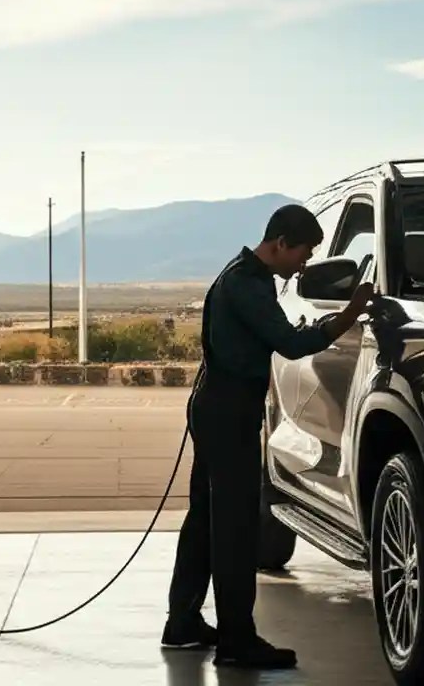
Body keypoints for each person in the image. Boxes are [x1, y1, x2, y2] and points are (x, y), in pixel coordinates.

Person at [162, 203, 374, 669]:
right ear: (280, 244)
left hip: (215, 408)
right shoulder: (247, 284)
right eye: (303, 253)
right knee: (235, 528)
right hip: (228, 414)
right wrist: (350, 314)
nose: (304, 263)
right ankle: (237, 642)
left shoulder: (241, 276)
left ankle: (182, 624)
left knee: (205, 520)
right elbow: (292, 344)